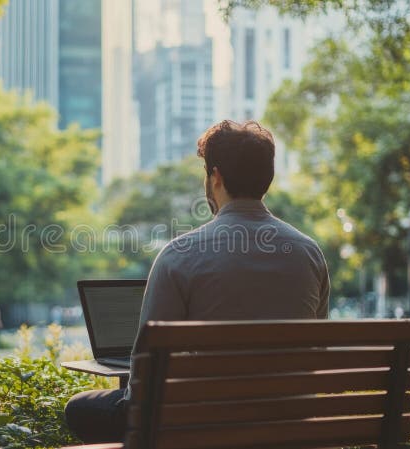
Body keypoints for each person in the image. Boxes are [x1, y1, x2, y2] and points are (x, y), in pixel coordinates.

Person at [64, 120, 331, 443]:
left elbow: (145, 377)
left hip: (203, 428)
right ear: (267, 179)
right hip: (288, 424)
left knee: (79, 408)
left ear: (215, 178)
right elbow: (317, 352)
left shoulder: (179, 254)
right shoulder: (309, 253)